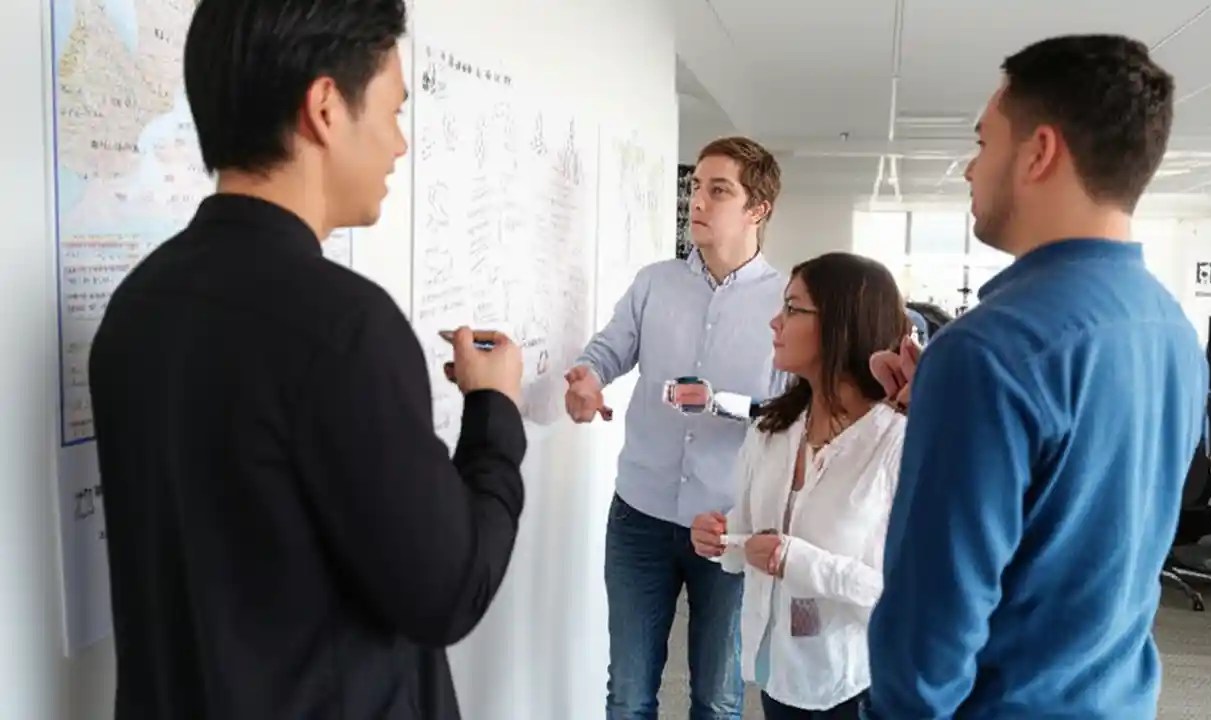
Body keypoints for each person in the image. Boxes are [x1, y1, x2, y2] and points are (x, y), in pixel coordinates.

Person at [88, 2, 526, 718]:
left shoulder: (135, 308)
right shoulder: (345, 326)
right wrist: (494, 413)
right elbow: (448, 593)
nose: (399, 145)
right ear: (325, 107)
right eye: (392, 112)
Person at [862, 35, 1208, 720]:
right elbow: (1079, 498)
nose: (969, 168)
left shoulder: (990, 351)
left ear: (1040, 152)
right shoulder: (1170, 327)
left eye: (984, 143)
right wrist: (941, 411)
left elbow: (931, 626)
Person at [565, 136, 789, 719]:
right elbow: (611, 348)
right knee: (629, 692)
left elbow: (794, 409)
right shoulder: (655, 282)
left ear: (757, 209)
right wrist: (589, 378)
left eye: (719, 190)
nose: (698, 202)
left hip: (728, 526)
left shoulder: (785, 303)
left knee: (716, 699)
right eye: (695, 188)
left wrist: (725, 404)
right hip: (639, 514)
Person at [690, 253, 910, 720]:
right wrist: (719, 538)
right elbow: (745, 543)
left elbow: (906, 596)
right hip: (778, 675)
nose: (775, 322)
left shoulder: (897, 443)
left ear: (843, 324)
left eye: (793, 308)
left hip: (855, 685)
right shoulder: (771, 428)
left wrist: (797, 560)